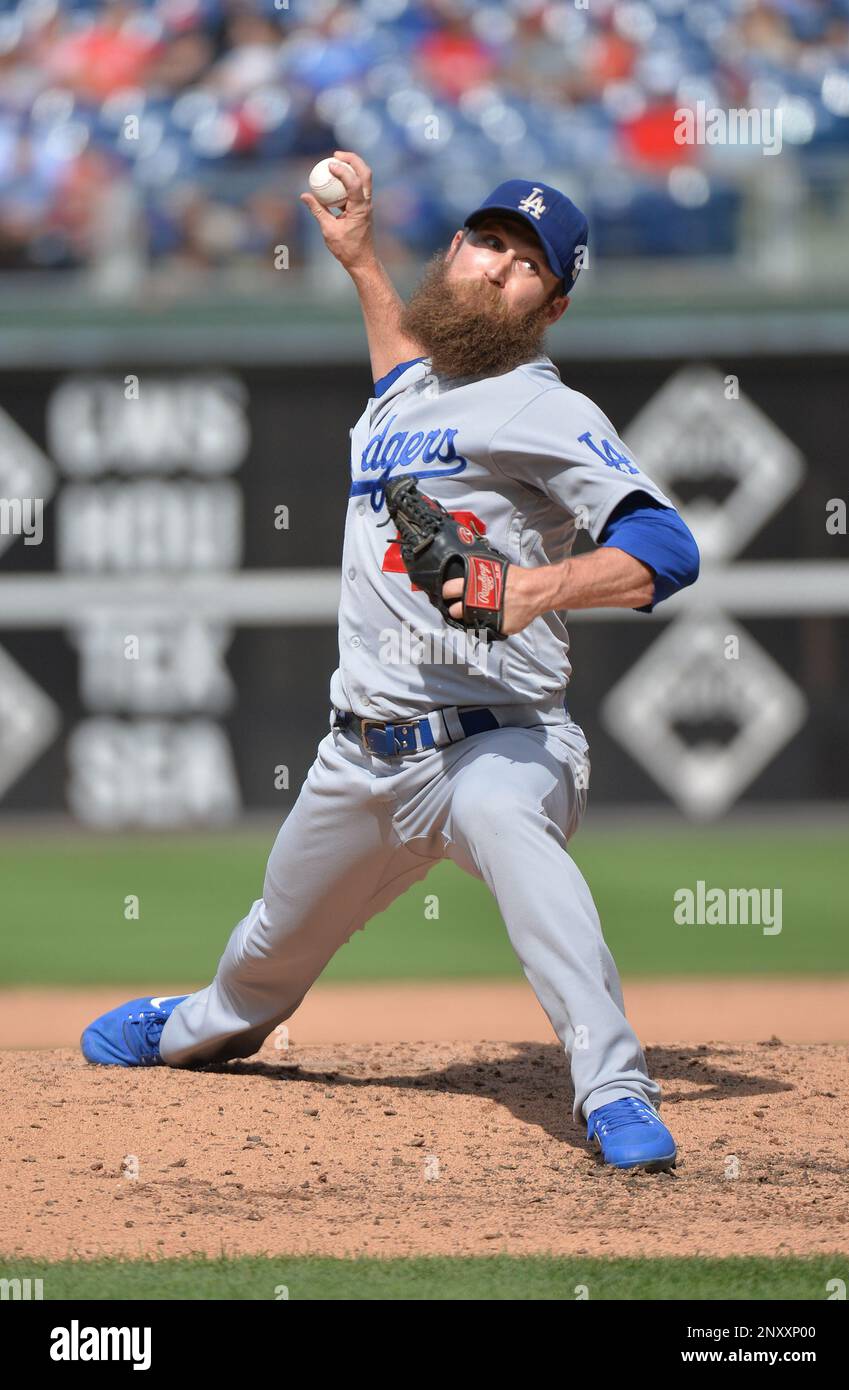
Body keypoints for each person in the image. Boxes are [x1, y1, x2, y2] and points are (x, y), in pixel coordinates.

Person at [81, 153, 699, 1172]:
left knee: (513, 833)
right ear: (453, 250)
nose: (501, 266)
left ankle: (614, 1086)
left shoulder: (546, 409)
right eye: (489, 241)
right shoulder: (410, 391)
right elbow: (399, 363)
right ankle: (196, 1021)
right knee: (256, 973)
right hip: (360, 760)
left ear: (552, 304)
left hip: (495, 745)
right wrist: (361, 257)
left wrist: (529, 589)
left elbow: (666, 550)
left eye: (529, 263)